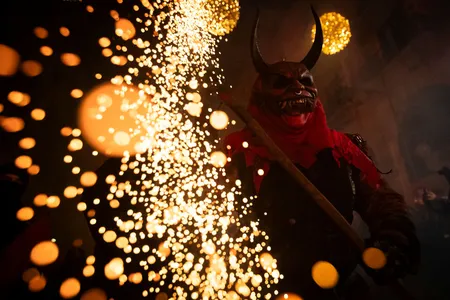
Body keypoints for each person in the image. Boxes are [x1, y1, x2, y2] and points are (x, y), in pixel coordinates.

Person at [221, 7, 420, 299]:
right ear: (262, 96)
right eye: (282, 83)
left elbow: (381, 202)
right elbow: (225, 227)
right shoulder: (242, 155)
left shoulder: (345, 149)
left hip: (345, 290)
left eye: (305, 82)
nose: (297, 89)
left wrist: (392, 243)